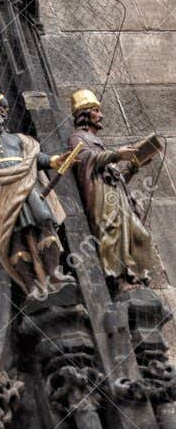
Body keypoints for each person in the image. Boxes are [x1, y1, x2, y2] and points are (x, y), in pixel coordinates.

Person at [0, 88, 69, 298]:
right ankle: (31, 286)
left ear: (3, 113)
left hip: (25, 184)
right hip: (0, 191)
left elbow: (34, 158)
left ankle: (53, 272)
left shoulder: (19, 140)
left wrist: (53, 161)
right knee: (13, 237)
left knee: (45, 220)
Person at [66, 89, 161, 286]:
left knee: (140, 235)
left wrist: (134, 166)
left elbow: (116, 177)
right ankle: (118, 281)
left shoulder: (98, 143)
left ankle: (136, 277)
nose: (100, 115)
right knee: (111, 235)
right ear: (84, 115)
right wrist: (117, 154)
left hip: (115, 194)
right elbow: (85, 159)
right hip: (101, 195)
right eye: (95, 111)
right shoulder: (77, 138)